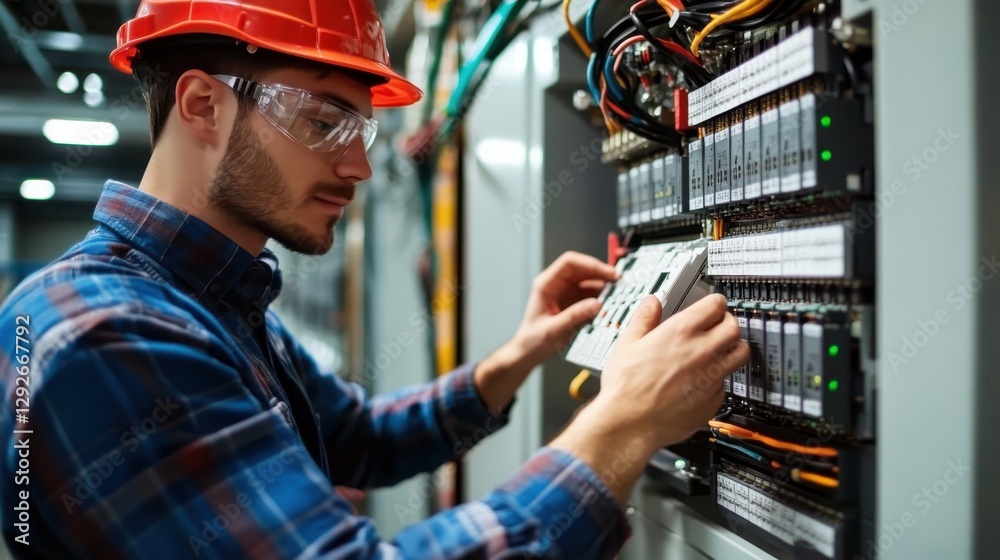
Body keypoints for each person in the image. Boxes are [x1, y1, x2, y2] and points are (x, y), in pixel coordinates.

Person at [0, 1, 749, 558]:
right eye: (325, 121)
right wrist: (622, 425)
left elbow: (356, 436)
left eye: (361, 130)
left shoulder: (208, 299)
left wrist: (517, 354)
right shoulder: (108, 334)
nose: (358, 166)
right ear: (203, 105)